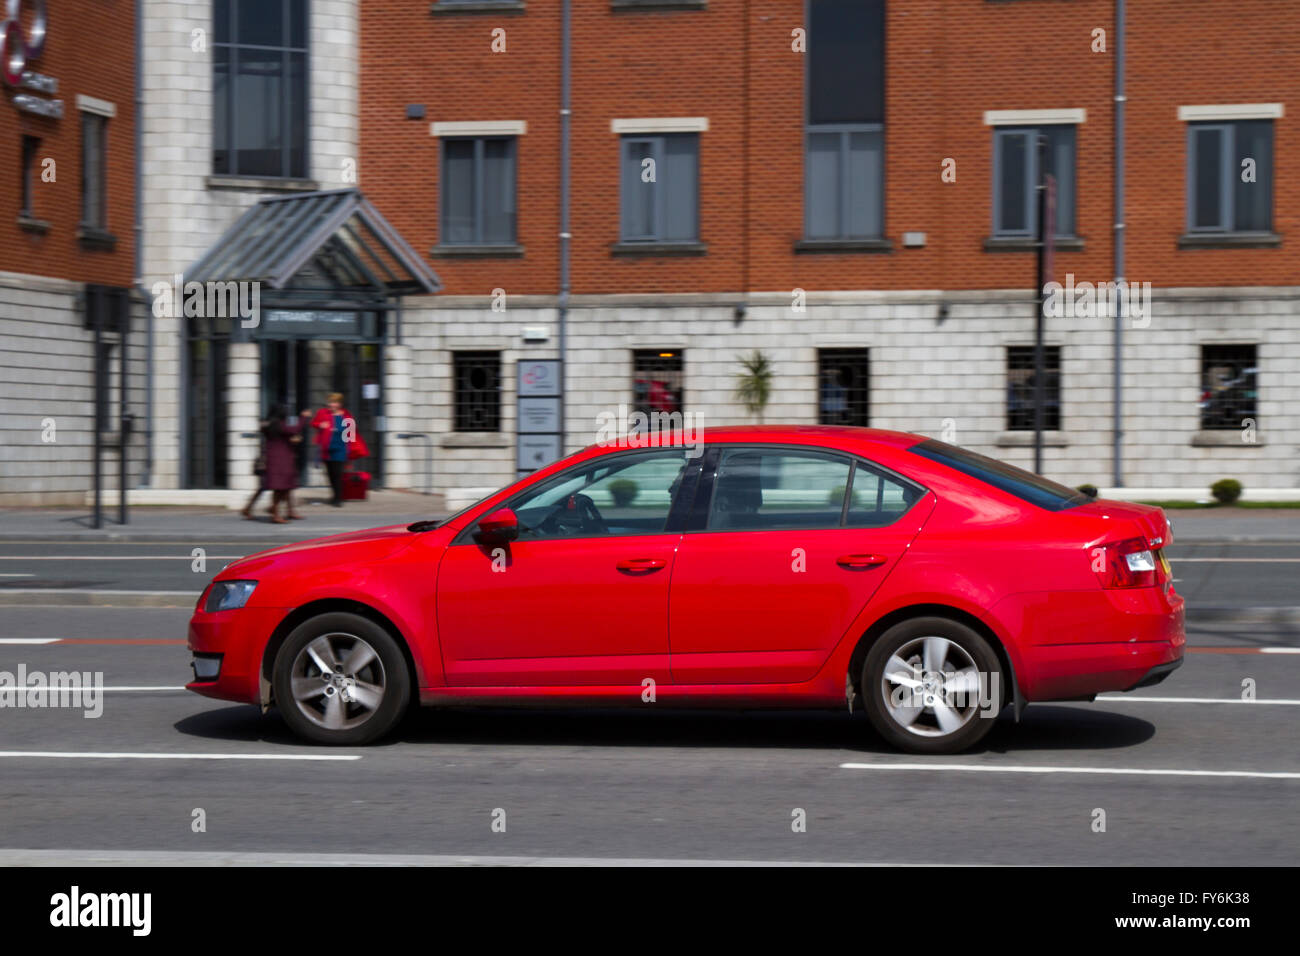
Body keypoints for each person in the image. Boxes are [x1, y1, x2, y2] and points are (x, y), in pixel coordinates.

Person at [310, 392, 364, 507]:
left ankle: (338, 498)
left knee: (338, 474)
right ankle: (335, 495)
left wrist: (350, 452)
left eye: (333, 402)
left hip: (341, 449)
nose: (330, 404)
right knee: (330, 474)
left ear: (339, 404)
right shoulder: (322, 413)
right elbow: (313, 423)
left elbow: (351, 435)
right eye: (329, 402)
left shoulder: (346, 416)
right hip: (327, 449)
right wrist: (320, 425)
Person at [262, 405, 308, 523]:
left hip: (276, 458)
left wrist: (290, 440)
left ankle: (287, 511)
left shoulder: (269, 425)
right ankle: (275, 514)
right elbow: (294, 429)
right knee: (280, 488)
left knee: (286, 487)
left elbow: (282, 437)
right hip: (281, 460)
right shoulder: (278, 425)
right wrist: (303, 417)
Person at [240, 415, 270, 519]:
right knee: (263, 487)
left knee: (268, 487)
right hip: (264, 465)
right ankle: (247, 509)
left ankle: (248, 509)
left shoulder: (266, 435)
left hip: (265, 465)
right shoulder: (267, 435)